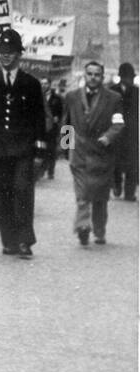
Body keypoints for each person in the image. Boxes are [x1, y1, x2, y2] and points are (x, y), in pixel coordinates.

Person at [0, 28, 47, 259]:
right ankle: (9, 241)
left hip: (23, 150)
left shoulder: (31, 84)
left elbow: (39, 118)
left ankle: (25, 241)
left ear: (19, 55)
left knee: (22, 191)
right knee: (2, 195)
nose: (6, 56)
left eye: (11, 52)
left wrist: (40, 150)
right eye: (3, 51)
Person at [61, 61, 125, 246]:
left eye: (97, 74)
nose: (93, 77)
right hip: (79, 152)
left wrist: (108, 137)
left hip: (102, 154)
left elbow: (118, 123)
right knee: (82, 195)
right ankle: (82, 226)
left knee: (100, 197)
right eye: (90, 74)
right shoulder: (72, 97)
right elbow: (67, 123)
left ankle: (99, 229)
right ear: (84, 75)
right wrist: (66, 148)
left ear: (102, 77)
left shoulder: (114, 98)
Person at [112, 63, 137, 201]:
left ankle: (129, 193)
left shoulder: (137, 92)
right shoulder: (111, 91)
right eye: (129, 77)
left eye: (132, 77)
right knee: (116, 163)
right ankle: (116, 184)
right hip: (116, 134)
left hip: (133, 135)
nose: (131, 80)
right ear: (122, 77)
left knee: (133, 164)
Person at [42, 78, 64, 180]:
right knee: (41, 149)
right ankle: (41, 170)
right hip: (41, 127)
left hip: (52, 128)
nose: (44, 85)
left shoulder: (57, 98)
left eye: (46, 83)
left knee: (51, 149)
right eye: (42, 83)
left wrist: (57, 118)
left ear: (50, 84)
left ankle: (51, 171)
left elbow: (62, 112)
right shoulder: (37, 97)